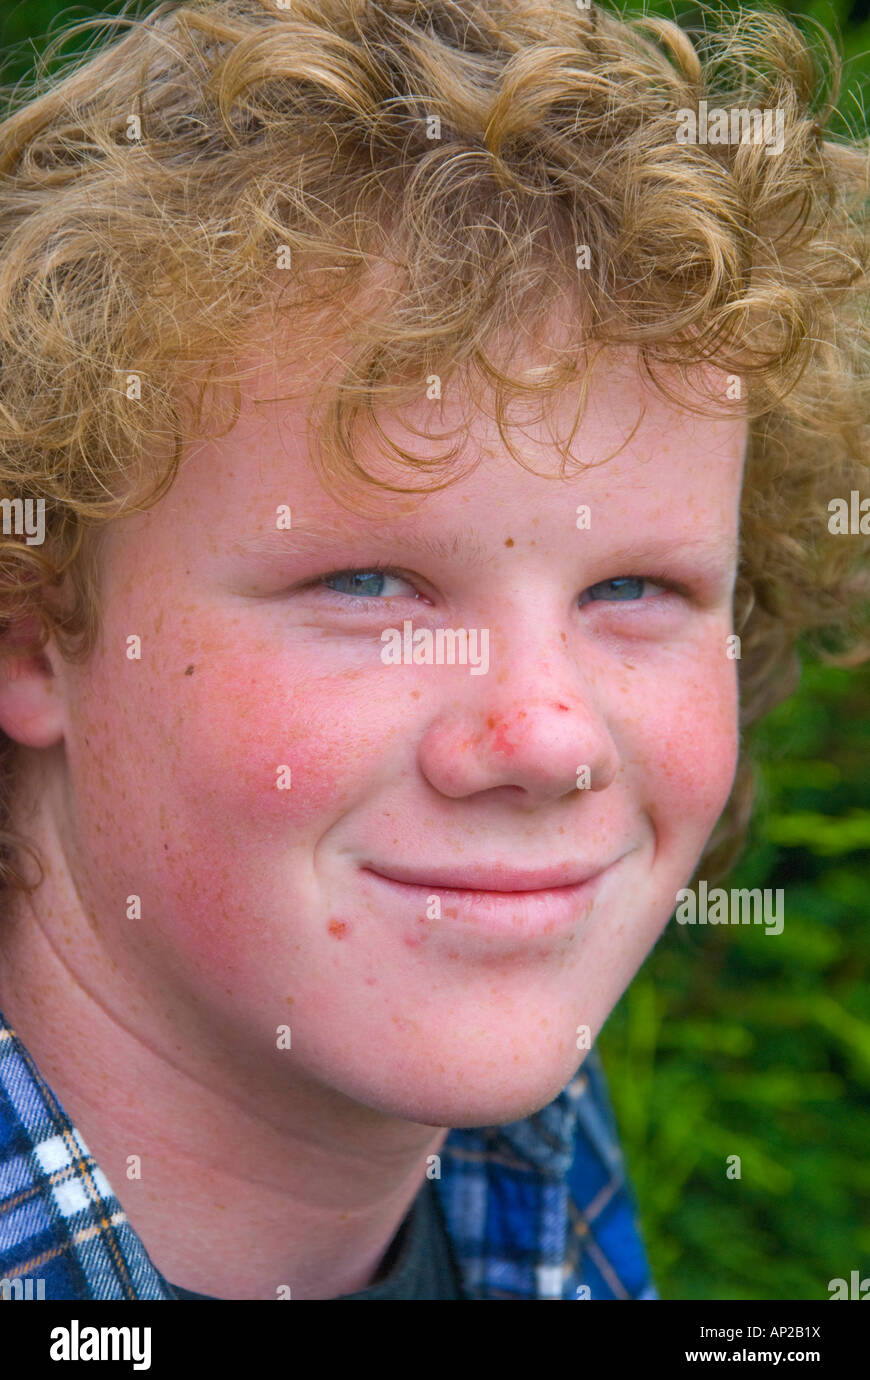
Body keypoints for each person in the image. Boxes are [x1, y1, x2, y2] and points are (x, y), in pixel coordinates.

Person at [0, 0, 866, 1300]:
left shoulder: (521, 1153)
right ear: (30, 625)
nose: (548, 735)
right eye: (366, 582)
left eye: (635, 584)